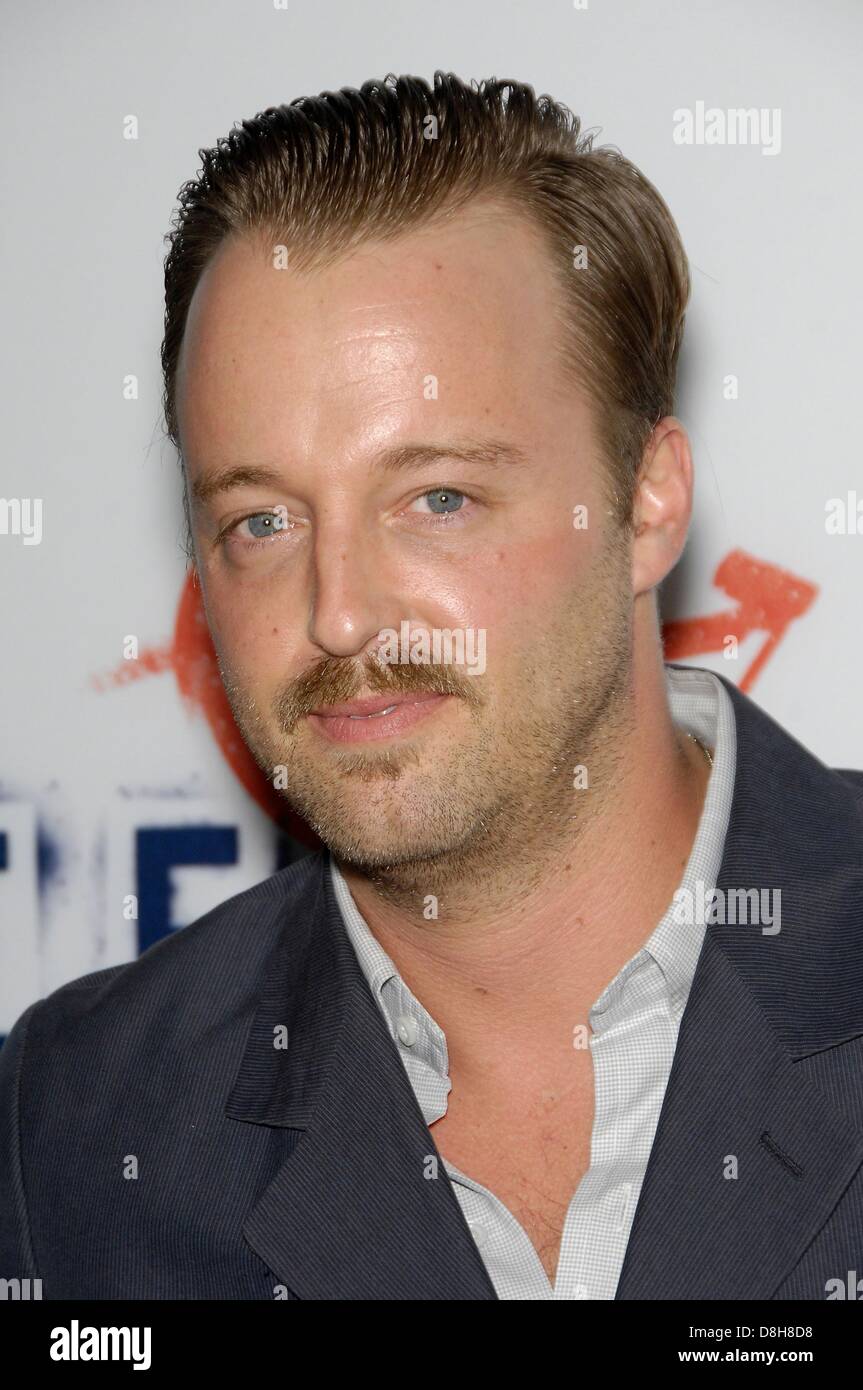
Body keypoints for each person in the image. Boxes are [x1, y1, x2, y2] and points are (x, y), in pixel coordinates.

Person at [2, 72, 862, 1301]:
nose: (337, 611)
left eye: (438, 499)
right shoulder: (72, 1131)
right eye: (259, 520)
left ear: (645, 502)